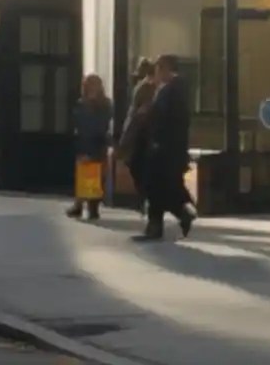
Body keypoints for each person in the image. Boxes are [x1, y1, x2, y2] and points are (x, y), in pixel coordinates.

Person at [135, 55, 195, 242]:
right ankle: (179, 214)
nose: (157, 74)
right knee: (165, 188)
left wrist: (156, 137)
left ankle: (159, 225)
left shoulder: (171, 91)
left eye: (159, 69)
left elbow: (167, 120)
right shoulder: (173, 90)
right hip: (169, 149)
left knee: (156, 188)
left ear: (166, 69)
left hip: (164, 149)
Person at [68, 74, 113, 220]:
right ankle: (80, 204)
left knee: (96, 175)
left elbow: (102, 124)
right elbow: (78, 123)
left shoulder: (104, 104)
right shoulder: (81, 103)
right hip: (85, 142)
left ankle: (91, 207)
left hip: (97, 143)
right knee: (84, 174)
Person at [117, 58, 157, 215]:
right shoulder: (151, 88)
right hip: (148, 135)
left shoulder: (143, 89)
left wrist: (124, 141)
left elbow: (134, 116)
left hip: (142, 135)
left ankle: (146, 200)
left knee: (138, 168)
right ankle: (147, 200)